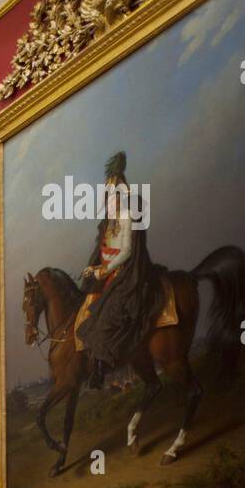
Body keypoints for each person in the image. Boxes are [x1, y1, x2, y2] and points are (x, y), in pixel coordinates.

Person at [76, 151, 162, 389]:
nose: (108, 201)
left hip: (124, 272)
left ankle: (103, 366)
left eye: (112, 196)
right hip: (107, 270)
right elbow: (105, 250)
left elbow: (126, 252)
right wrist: (93, 269)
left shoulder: (126, 218)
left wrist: (104, 271)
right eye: (106, 196)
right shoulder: (109, 222)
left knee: (109, 311)